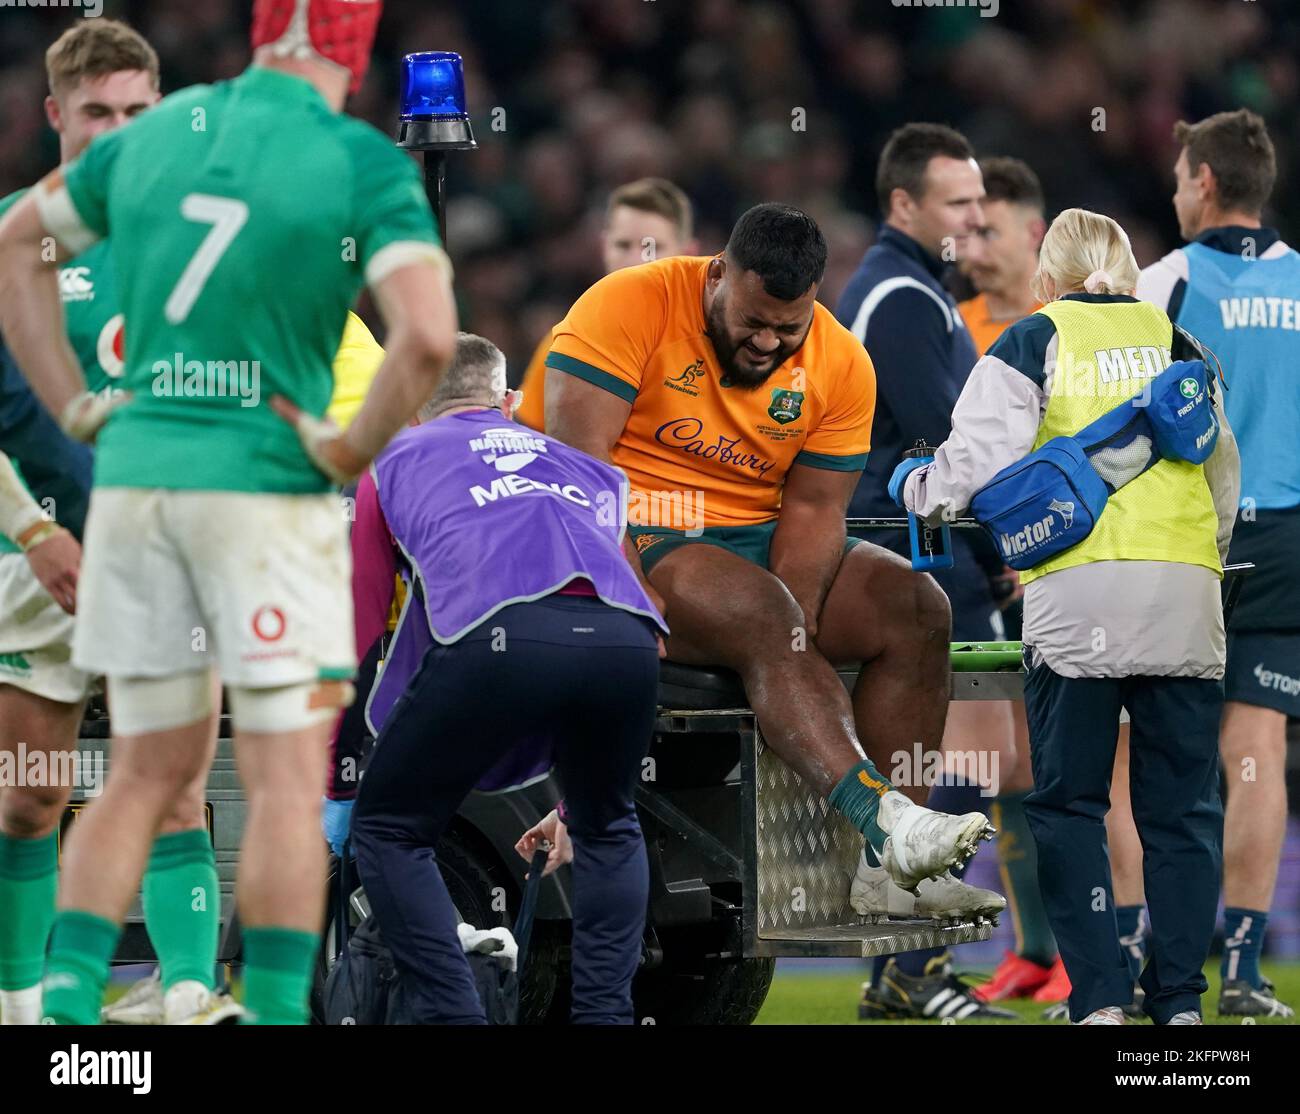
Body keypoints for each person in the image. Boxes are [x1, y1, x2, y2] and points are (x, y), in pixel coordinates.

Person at [0, 0, 458, 1025]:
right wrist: (348, 448)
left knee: (137, 776)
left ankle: (69, 1020)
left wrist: (74, 407)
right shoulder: (350, 161)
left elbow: (19, 239)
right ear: (353, 51)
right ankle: (277, 1010)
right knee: (285, 782)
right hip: (257, 494)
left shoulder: (159, 144)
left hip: (138, 492)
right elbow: (426, 341)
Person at [544, 202, 998, 929]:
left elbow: (816, 512)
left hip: (756, 538)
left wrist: (800, 627)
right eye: (751, 321)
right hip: (643, 532)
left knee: (917, 605)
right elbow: (580, 475)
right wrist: (621, 605)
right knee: (766, 613)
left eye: (787, 328)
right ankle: (890, 827)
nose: (765, 341)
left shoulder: (842, 361)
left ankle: (885, 870)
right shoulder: (627, 304)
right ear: (718, 273)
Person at [897, 207, 1240, 1025]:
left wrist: (918, 491)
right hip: (1187, 595)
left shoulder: (1032, 337)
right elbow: (1224, 475)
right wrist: (1203, 558)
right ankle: (1182, 1007)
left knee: (1069, 807)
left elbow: (969, 468)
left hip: (1080, 599)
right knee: (1183, 814)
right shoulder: (1182, 344)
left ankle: (1099, 1004)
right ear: (1126, 269)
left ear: (1048, 276)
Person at [0, 20, 244, 1027]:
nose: (118, 131)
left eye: (138, 112)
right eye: (96, 111)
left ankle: (187, 994)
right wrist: (33, 534)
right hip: (34, 556)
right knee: (28, 797)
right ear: (57, 116)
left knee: (175, 793)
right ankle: (21, 1010)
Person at [332, 333, 666, 1024]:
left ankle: (457, 1017)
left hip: (502, 638)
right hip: (629, 643)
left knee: (390, 828)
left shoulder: (389, 462)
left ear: (409, 410)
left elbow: (362, 629)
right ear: (509, 401)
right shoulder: (590, 471)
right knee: (609, 827)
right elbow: (612, 603)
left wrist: (342, 770)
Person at [836, 123, 1011, 1021]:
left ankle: (908, 966)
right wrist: (1012, 551)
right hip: (921, 570)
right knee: (959, 768)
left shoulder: (912, 293)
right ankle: (911, 968)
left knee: (971, 764)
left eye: (980, 200)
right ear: (904, 204)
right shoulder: (900, 299)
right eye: (958, 202)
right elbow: (956, 448)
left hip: (930, 567)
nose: (976, 218)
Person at [1137, 108, 1298, 1019]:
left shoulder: (1166, 280)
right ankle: (1240, 970)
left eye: (1177, 178)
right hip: (1283, 539)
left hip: (1184, 538)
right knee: (1257, 751)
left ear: (1203, 181)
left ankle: (1137, 952)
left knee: (1144, 747)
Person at [514, 177, 698, 432]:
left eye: (651, 247)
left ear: (688, 254)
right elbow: (526, 435)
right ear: (604, 248)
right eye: (623, 245)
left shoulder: (712, 341)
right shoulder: (568, 340)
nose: (636, 260)